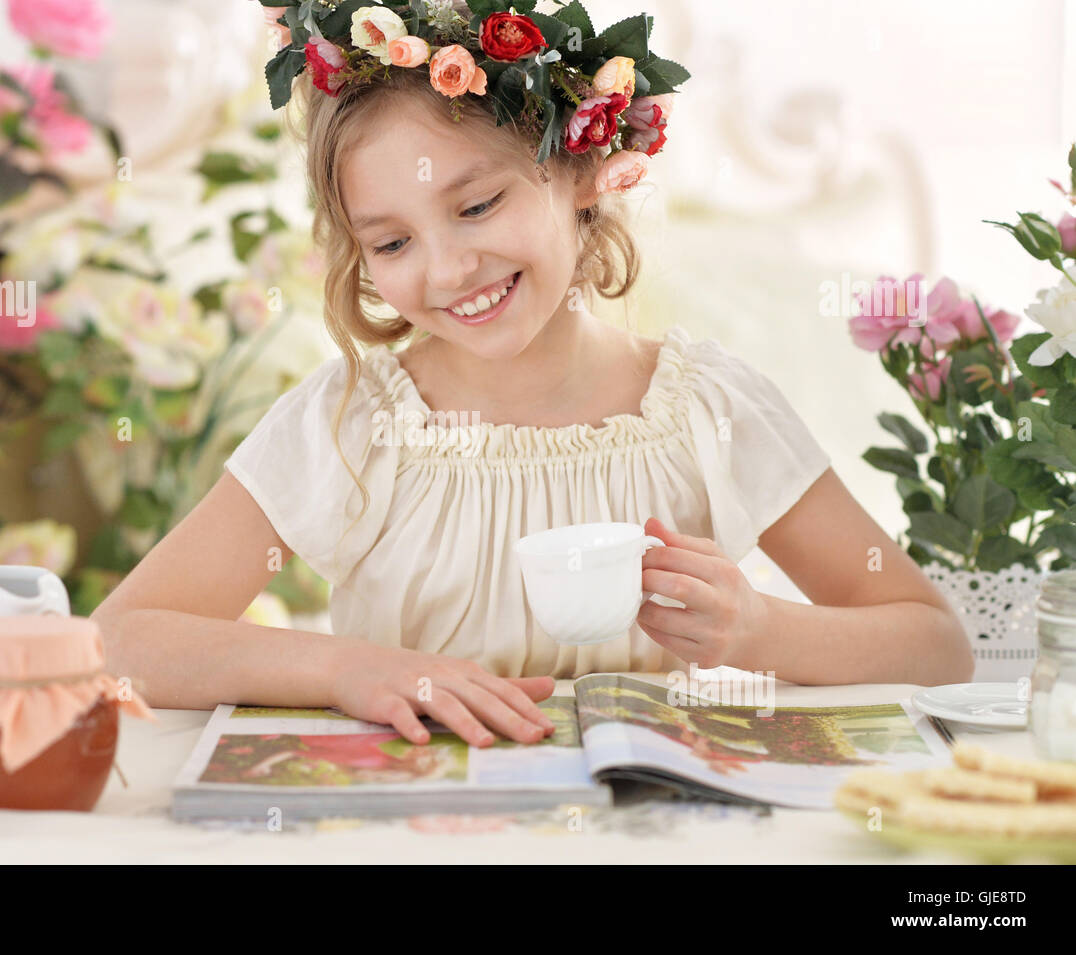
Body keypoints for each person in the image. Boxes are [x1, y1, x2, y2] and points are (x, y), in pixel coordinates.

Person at [91, 3, 973, 749]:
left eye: (478, 205)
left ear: (579, 168)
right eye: (391, 242)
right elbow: (120, 641)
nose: (447, 270)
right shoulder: (350, 423)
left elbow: (935, 645)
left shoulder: (708, 409)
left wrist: (758, 628)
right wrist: (343, 666)